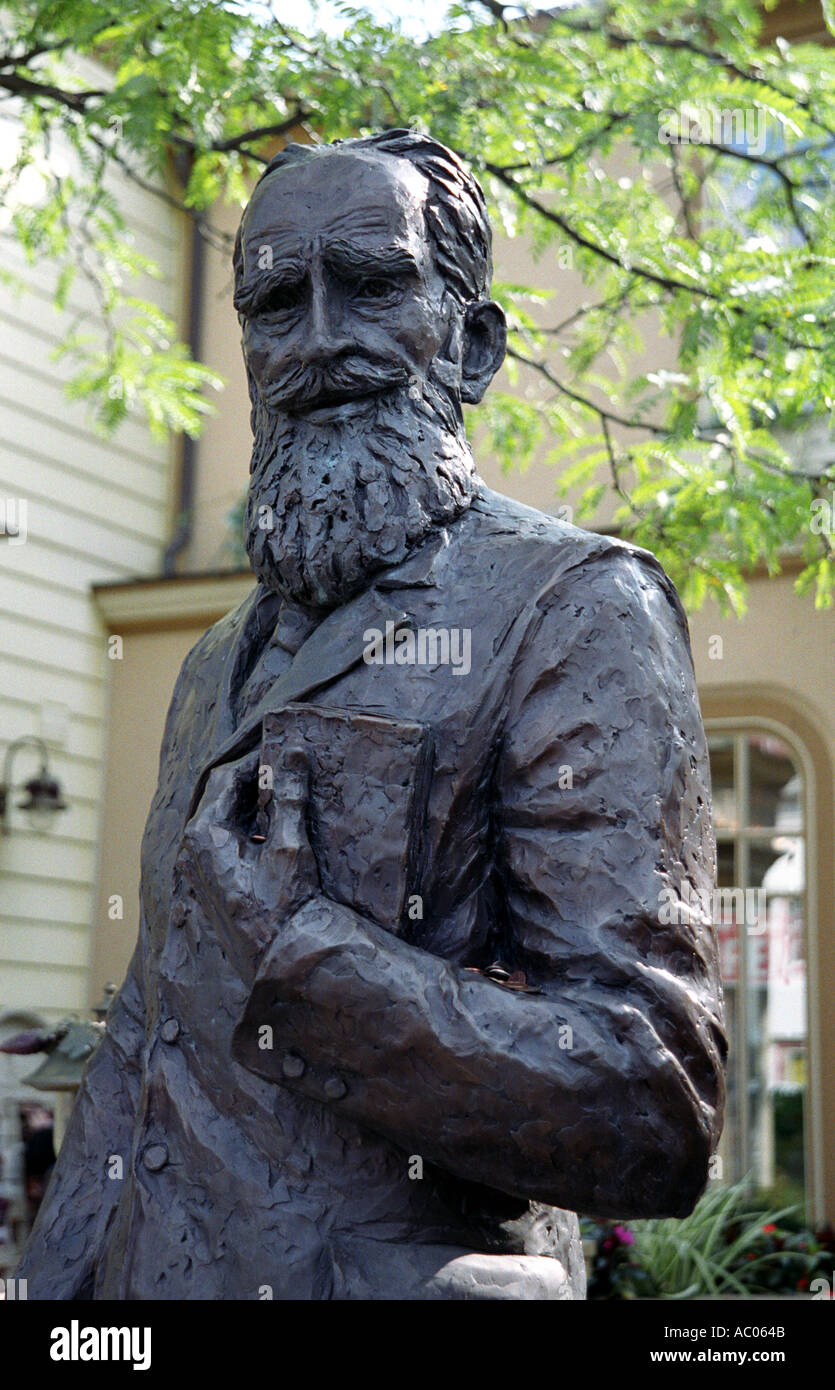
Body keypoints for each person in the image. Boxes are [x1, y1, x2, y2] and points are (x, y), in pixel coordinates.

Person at [19, 131, 726, 1300]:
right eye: (274, 303)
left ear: (476, 344)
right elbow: (152, 1040)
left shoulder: (574, 610)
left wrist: (309, 967)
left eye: (373, 284)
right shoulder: (207, 667)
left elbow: (651, 1105)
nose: (318, 341)